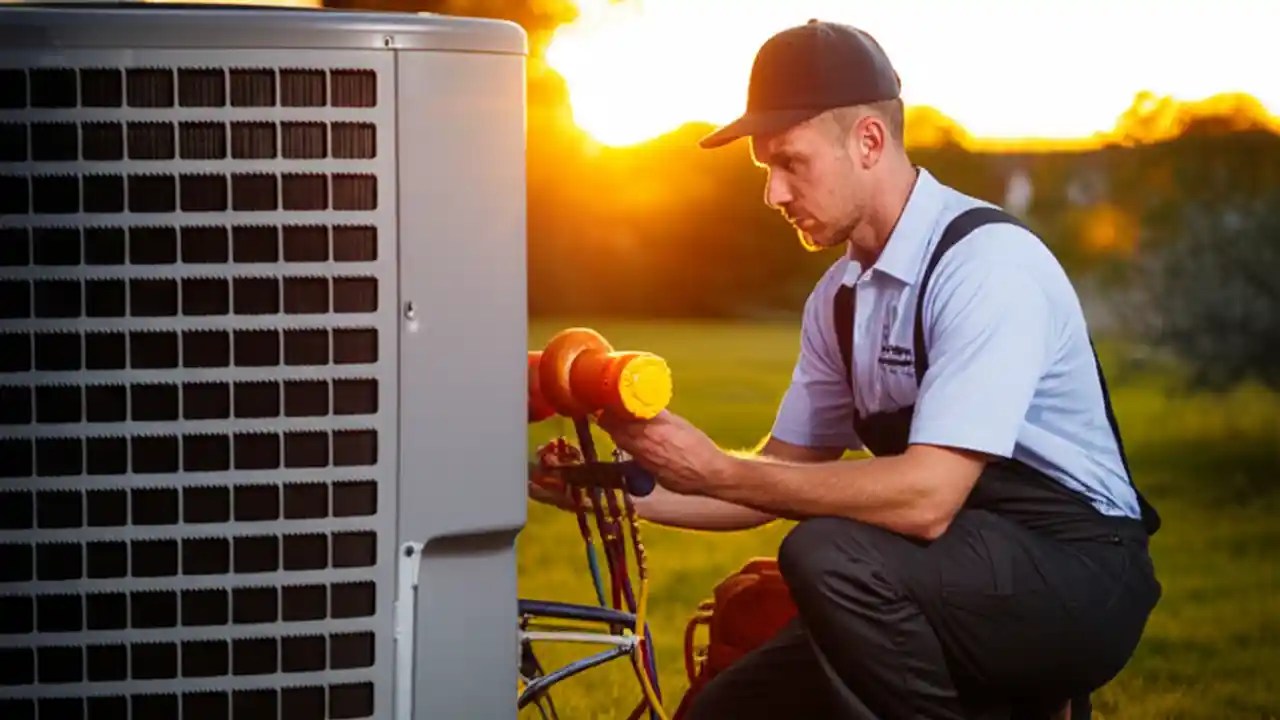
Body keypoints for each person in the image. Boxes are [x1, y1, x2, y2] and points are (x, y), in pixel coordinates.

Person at [530, 19, 1162, 720]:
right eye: (765, 169)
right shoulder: (838, 299)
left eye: (790, 162)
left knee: (826, 553)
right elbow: (774, 478)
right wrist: (614, 491)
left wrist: (716, 468)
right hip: (948, 575)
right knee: (723, 712)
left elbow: (926, 499)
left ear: (868, 141)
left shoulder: (987, 265)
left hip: (1077, 578)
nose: (773, 193)